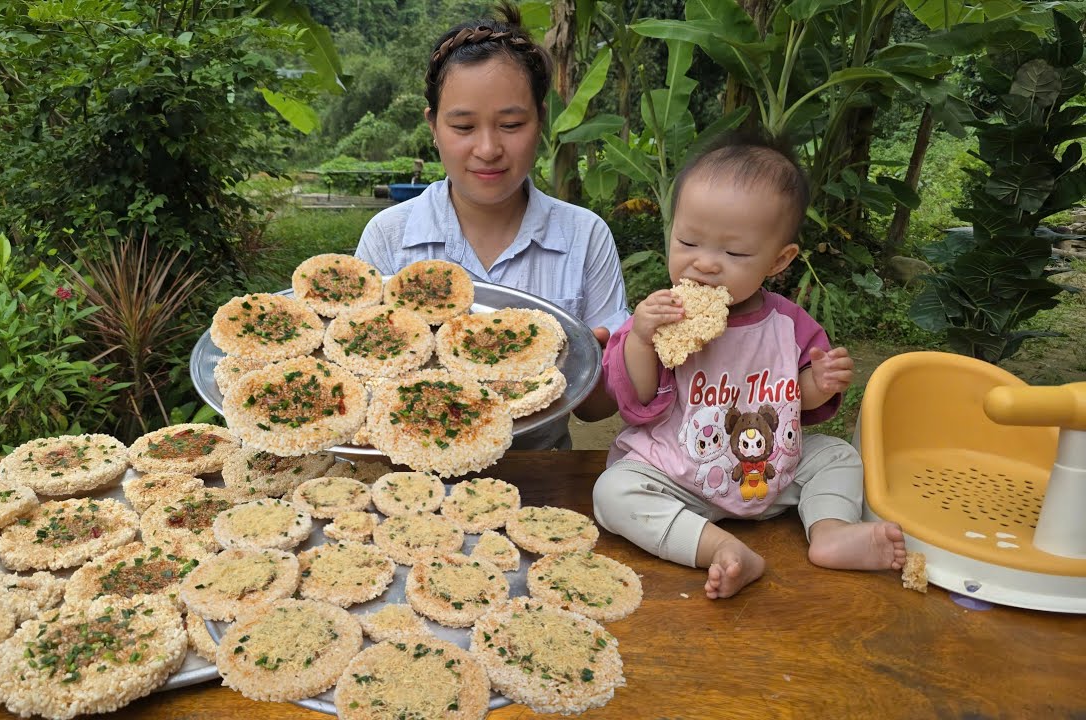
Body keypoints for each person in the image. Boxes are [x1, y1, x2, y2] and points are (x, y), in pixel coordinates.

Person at [591, 131, 907, 599]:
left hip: (766, 472)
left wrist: (817, 383)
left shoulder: (788, 325)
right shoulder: (661, 317)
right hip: (678, 472)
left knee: (838, 456)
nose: (706, 264)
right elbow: (636, 397)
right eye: (688, 241)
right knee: (612, 492)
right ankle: (719, 546)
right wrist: (640, 338)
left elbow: (792, 401)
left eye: (734, 253)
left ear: (779, 260)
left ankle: (831, 531)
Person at [355, 2, 628, 449]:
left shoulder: (585, 235)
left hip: (540, 477)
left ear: (540, 121)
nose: (487, 148)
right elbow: (361, 375)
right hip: (410, 481)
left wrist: (590, 361)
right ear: (433, 126)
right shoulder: (389, 236)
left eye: (511, 124)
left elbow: (598, 409)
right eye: (463, 126)